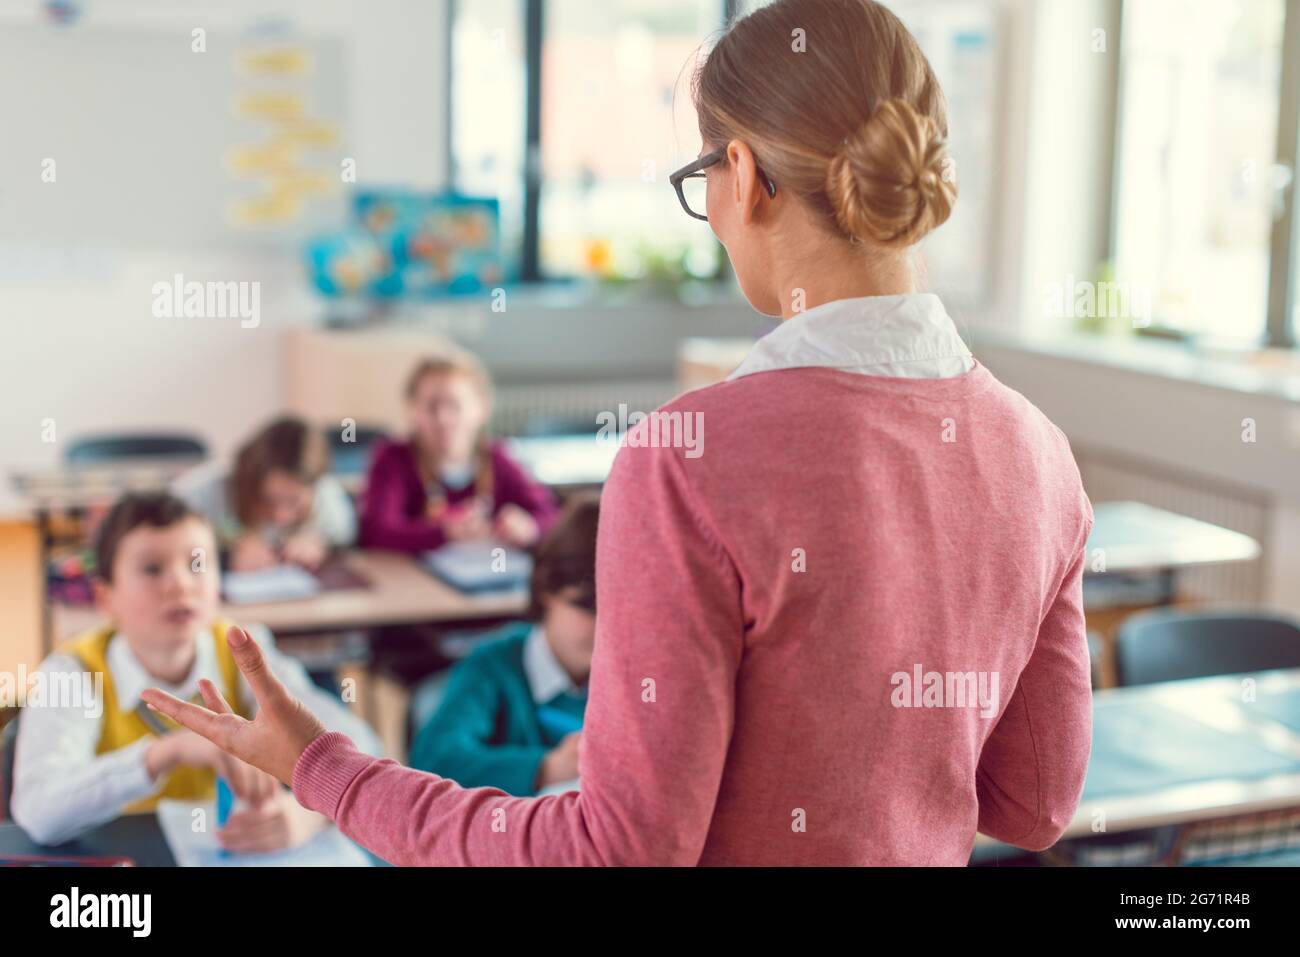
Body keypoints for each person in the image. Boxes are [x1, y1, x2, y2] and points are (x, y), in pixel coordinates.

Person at [145, 0, 1093, 866]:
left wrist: (328, 769)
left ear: (747, 176)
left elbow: (619, 853)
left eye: (702, 176)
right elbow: (1033, 801)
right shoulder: (1042, 455)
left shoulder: (691, 456)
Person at [12, 492, 381, 850]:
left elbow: (360, 746)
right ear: (105, 597)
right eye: (152, 568)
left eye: (197, 565)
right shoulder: (73, 671)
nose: (181, 583)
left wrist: (312, 816)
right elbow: (38, 812)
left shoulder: (244, 653)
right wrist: (163, 754)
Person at [409, 496, 599, 795]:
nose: (603, 629)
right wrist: (549, 767)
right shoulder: (492, 667)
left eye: (620, 615)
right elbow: (435, 760)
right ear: (546, 587)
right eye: (587, 607)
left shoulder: (636, 678)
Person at [358, 352, 558, 554]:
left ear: (481, 409)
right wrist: (444, 534)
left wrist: (529, 526)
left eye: (454, 405)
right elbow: (375, 532)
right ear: (412, 410)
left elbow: (550, 514)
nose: (443, 418)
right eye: (431, 406)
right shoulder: (392, 459)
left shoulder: (497, 459)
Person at [175, 416, 356, 572]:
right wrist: (224, 558)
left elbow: (345, 538)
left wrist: (321, 547)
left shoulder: (326, 492)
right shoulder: (201, 494)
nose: (281, 516)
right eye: (267, 500)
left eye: (294, 502)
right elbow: (164, 550)